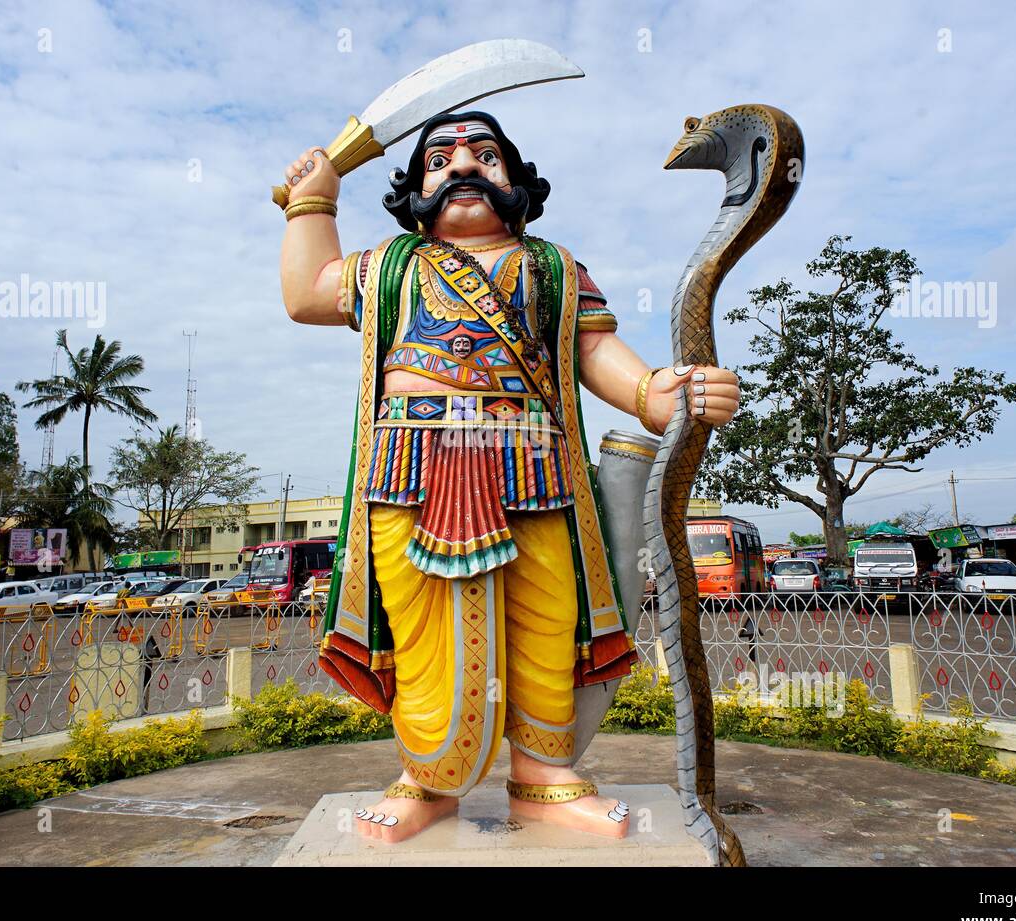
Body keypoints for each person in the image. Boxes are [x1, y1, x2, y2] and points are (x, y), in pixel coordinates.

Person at [280, 111, 740, 843]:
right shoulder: (390, 266)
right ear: (415, 188)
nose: (463, 165)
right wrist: (315, 199)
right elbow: (306, 293)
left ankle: (545, 776)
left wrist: (658, 394)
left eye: (486, 154)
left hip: (534, 465)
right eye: (442, 157)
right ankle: (429, 778)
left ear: (518, 183)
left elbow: (596, 353)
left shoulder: (553, 267)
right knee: (421, 624)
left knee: (548, 619)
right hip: (412, 467)